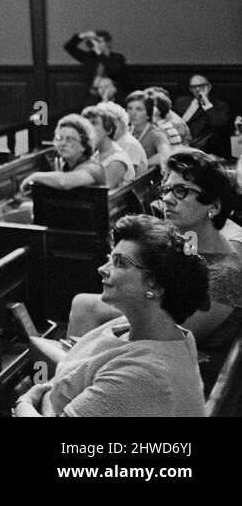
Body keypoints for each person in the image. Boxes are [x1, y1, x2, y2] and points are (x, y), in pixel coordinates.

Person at [65, 150, 242, 389]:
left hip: (189, 381)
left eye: (181, 191)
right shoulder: (194, 245)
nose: (167, 200)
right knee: (84, 314)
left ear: (214, 205)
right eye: (166, 190)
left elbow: (171, 340)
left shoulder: (227, 272)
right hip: (169, 362)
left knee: (85, 309)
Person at [14, 215, 209, 416]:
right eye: (110, 259)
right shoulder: (129, 324)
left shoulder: (143, 375)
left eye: (119, 263)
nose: (102, 269)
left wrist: (24, 402)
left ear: (156, 285)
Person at [20, 115, 106, 192]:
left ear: (84, 145)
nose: (63, 143)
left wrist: (35, 176)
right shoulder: (67, 165)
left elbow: (63, 182)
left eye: (69, 139)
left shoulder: (94, 168)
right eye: (60, 139)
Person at [174, 75, 232, 157]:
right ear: (190, 89)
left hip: (203, 149)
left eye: (201, 86)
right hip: (178, 144)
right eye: (194, 87)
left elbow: (217, 123)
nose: (197, 89)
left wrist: (207, 104)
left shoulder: (219, 105)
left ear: (208, 87)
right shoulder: (181, 102)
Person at [64, 30, 128, 100]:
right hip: (91, 95)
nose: (96, 44)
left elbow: (114, 70)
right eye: (95, 41)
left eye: (99, 41)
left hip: (112, 95)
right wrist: (83, 35)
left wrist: (100, 53)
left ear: (108, 43)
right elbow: (69, 47)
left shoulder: (118, 57)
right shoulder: (89, 57)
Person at [82, 104, 134, 188]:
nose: (88, 129)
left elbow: (102, 193)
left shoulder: (117, 160)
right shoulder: (97, 153)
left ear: (108, 129)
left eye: (94, 123)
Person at [127, 90, 172, 169]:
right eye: (130, 108)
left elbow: (166, 154)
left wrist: (145, 163)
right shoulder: (128, 130)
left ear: (148, 113)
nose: (133, 113)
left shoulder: (156, 133)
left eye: (139, 109)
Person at [104, 101, 149, 178]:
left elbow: (123, 179)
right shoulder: (111, 142)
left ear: (120, 121)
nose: (107, 126)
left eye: (110, 121)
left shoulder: (129, 144)